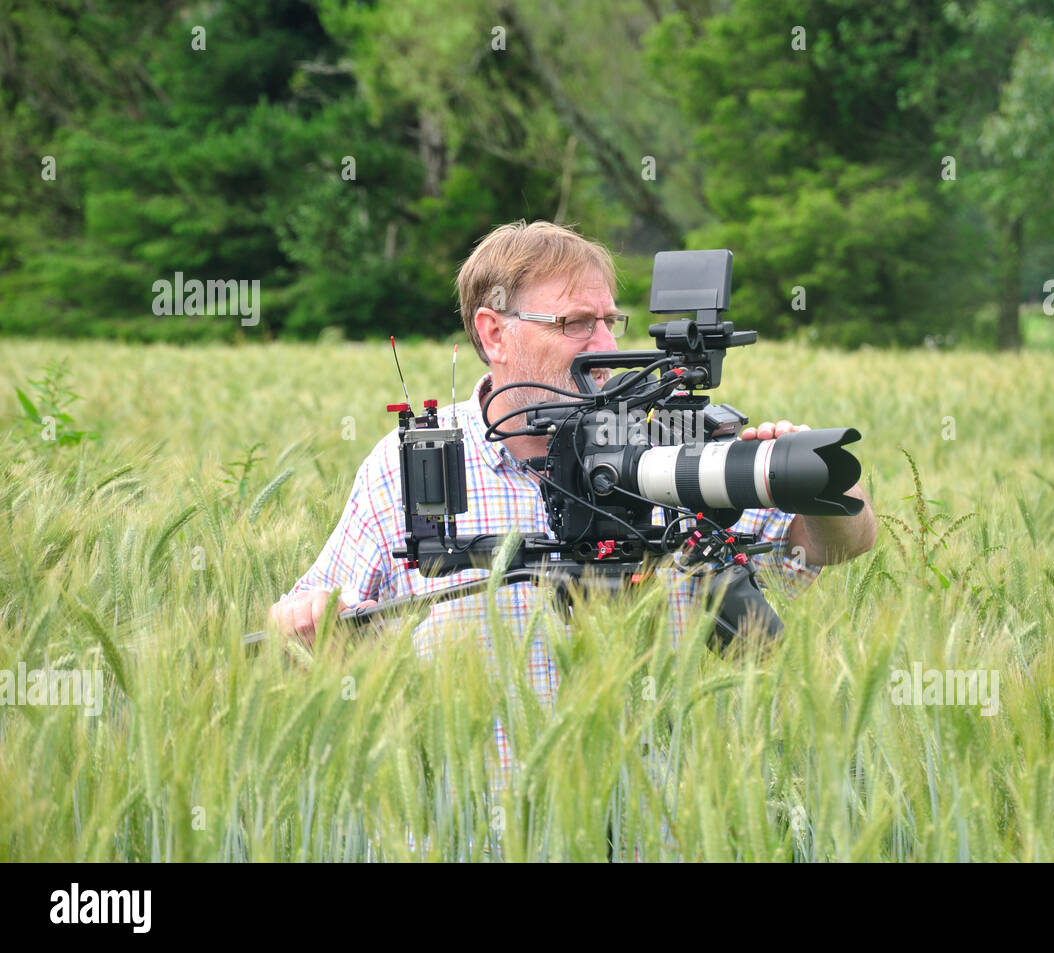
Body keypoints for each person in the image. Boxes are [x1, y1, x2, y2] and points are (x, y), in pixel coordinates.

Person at [268, 220, 877, 709]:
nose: (606, 347)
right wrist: (302, 621)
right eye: (575, 323)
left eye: (610, 321)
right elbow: (313, 622)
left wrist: (815, 485)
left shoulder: (669, 443)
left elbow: (839, 546)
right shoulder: (407, 465)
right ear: (495, 333)